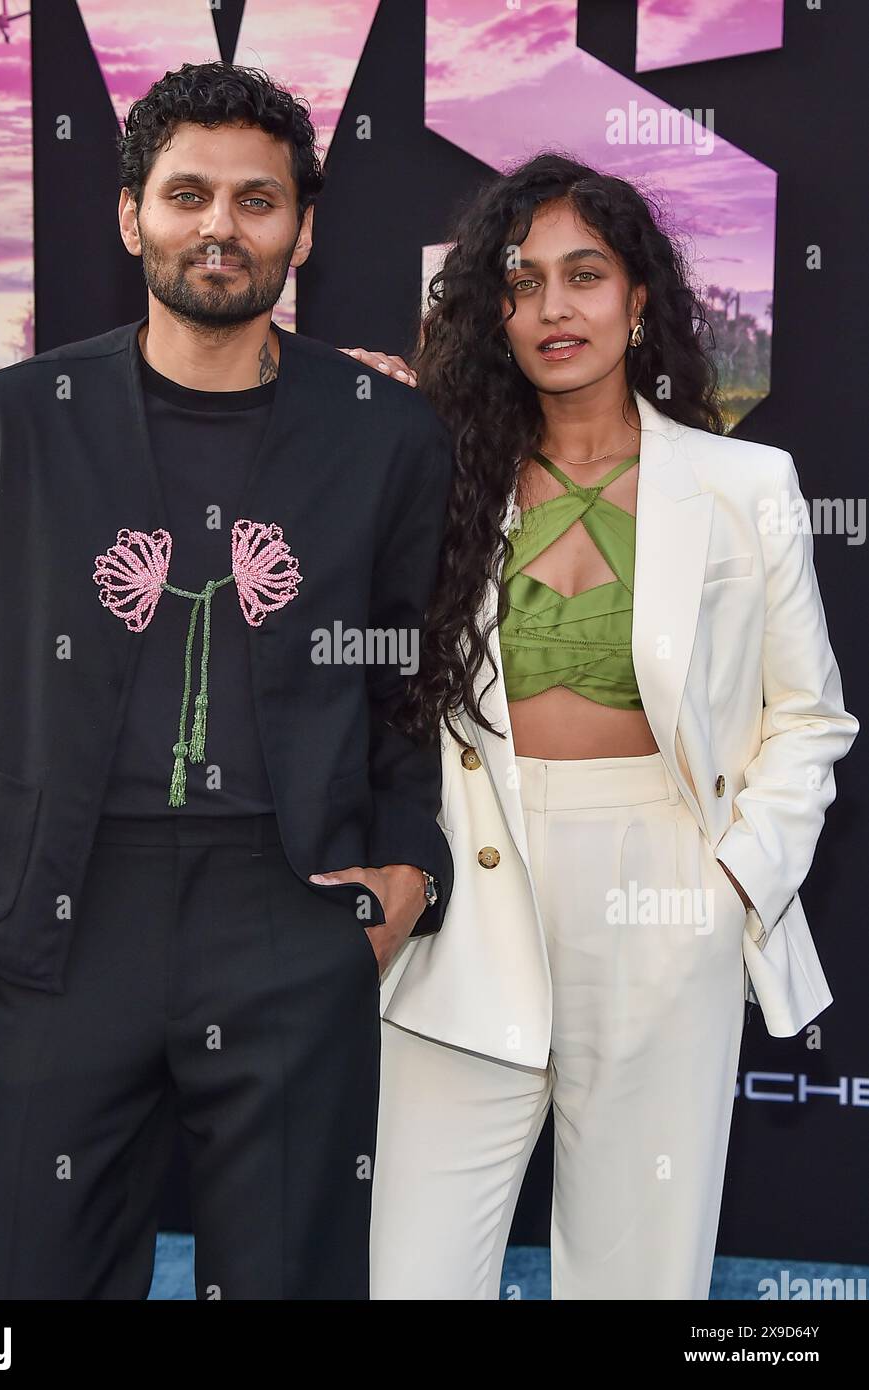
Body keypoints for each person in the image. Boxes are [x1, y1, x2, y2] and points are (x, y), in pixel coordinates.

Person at [0, 61, 453, 1300]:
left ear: (303, 228)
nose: (220, 228)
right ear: (131, 216)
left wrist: (405, 862)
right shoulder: (10, 424)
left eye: (256, 199)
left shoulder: (385, 434)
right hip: (69, 911)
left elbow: (411, 667)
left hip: (293, 906)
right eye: (187, 195)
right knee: (37, 1283)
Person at [343, 151, 859, 1299]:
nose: (552, 308)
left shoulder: (745, 484)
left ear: (637, 301)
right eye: (521, 283)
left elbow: (809, 717)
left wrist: (728, 889)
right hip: (469, 895)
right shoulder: (437, 470)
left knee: (639, 1275)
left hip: (666, 897)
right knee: (411, 1275)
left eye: (585, 276)